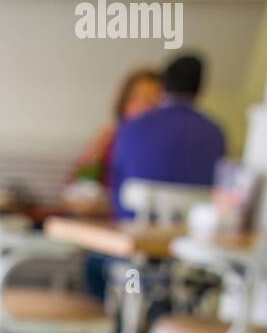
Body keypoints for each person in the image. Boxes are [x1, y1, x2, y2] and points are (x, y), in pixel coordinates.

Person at [111, 53, 226, 217]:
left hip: (133, 234)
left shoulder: (132, 128)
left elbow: (117, 192)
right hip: (188, 237)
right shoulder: (216, 134)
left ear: (163, 87)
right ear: (200, 90)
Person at [70, 69, 162, 189]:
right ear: (123, 103)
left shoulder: (164, 145)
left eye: (151, 101)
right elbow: (78, 187)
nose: (142, 106)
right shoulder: (110, 139)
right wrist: (96, 151)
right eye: (134, 98)